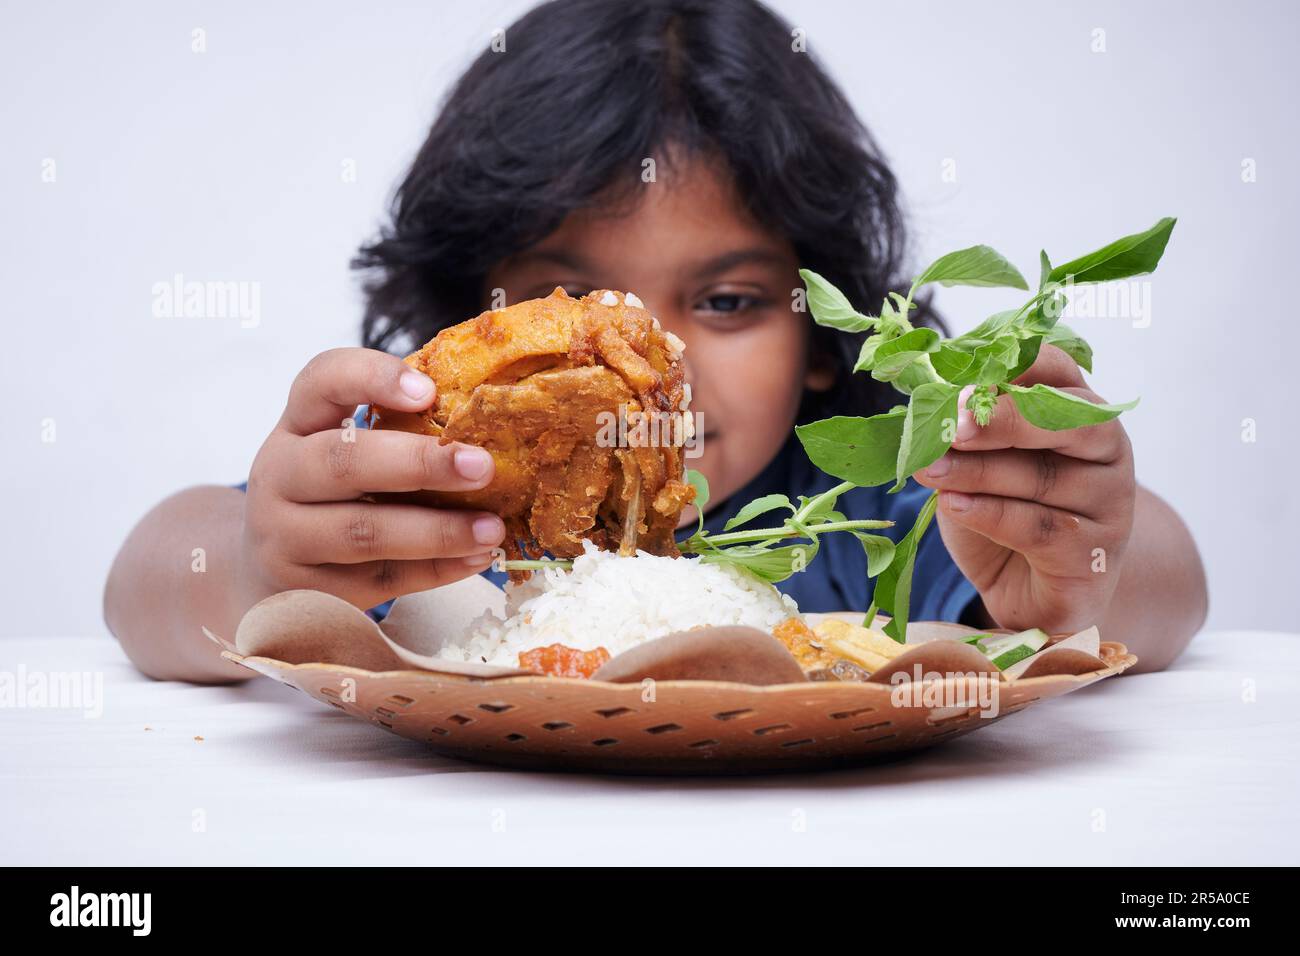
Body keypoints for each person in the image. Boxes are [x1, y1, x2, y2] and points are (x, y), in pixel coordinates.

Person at [104, 0, 1207, 682]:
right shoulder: (422, 515)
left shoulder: (883, 525)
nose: (658, 366)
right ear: (471, 327)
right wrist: (255, 563)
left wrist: (1078, 560)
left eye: (726, 302)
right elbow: (147, 576)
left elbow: (1173, 591)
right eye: (569, 307)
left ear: (827, 334)